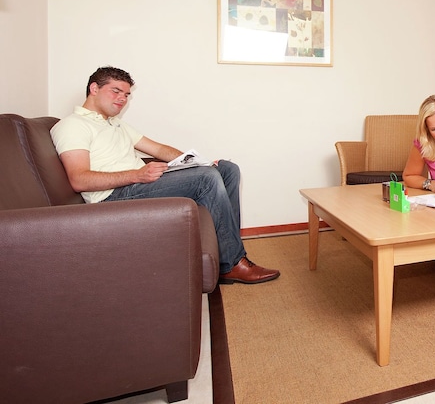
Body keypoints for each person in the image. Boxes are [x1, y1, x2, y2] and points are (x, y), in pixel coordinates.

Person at [50, 66, 280, 285]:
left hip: (138, 183)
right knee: (206, 179)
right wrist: (137, 175)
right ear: (94, 89)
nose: (122, 99)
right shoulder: (73, 126)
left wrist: (201, 163)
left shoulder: (115, 125)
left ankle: (225, 257)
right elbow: (79, 179)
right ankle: (232, 262)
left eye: (127, 94)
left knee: (227, 169)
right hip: (113, 196)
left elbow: (159, 150)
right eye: (116, 91)